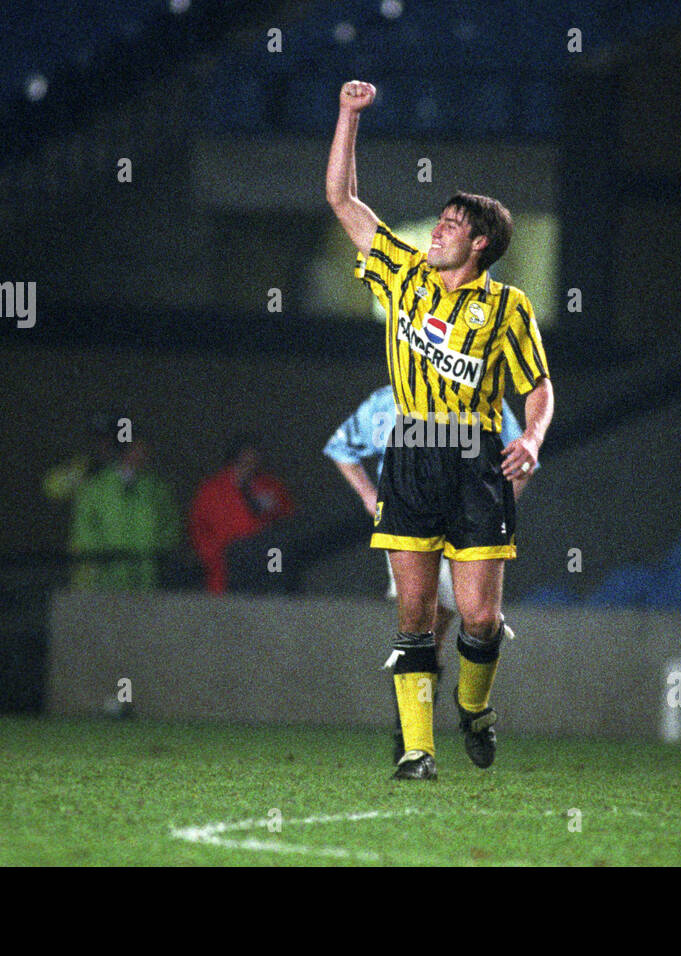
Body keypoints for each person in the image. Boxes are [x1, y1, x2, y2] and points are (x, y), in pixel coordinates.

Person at [326, 80, 554, 780]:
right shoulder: (402, 274)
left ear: (479, 243)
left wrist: (533, 439)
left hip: (477, 460)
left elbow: (538, 387)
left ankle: (475, 709)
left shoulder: (507, 307)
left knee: (480, 620)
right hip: (412, 455)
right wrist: (348, 116)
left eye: (452, 224)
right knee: (417, 616)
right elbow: (342, 200)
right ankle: (418, 752)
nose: (438, 230)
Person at [324, 384, 538, 764]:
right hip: (410, 521)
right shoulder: (388, 401)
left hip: (468, 521)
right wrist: (368, 497)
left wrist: (497, 509)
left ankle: (470, 709)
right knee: (425, 623)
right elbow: (342, 446)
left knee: (479, 618)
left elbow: (523, 462)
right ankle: (410, 735)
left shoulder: (481, 398)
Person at [188, 434, 295, 594]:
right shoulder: (212, 490)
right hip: (227, 567)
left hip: (266, 565)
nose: (250, 463)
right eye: (245, 458)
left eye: (254, 457)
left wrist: (278, 568)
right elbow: (198, 529)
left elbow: (288, 525)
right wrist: (216, 560)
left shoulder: (271, 487)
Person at [68, 438, 179, 590]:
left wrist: (157, 552)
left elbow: (170, 525)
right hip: (102, 581)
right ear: (125, 452)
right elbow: (84, 529)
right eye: (138, 449)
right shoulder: (95, 488)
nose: (145, 455)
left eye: (146, 450)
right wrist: (98, 558)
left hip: (145, 579)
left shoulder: (156, 489)